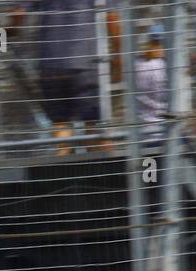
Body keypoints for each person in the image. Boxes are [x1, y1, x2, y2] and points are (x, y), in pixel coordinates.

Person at [11, 1, 121, 156]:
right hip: (85, 63)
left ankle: (63, 172)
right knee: (94, 126)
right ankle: (103, 172)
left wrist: (10, 31)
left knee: (60, 125)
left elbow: (18, 12)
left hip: (50, 63)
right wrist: (118, 57)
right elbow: (111, 17)